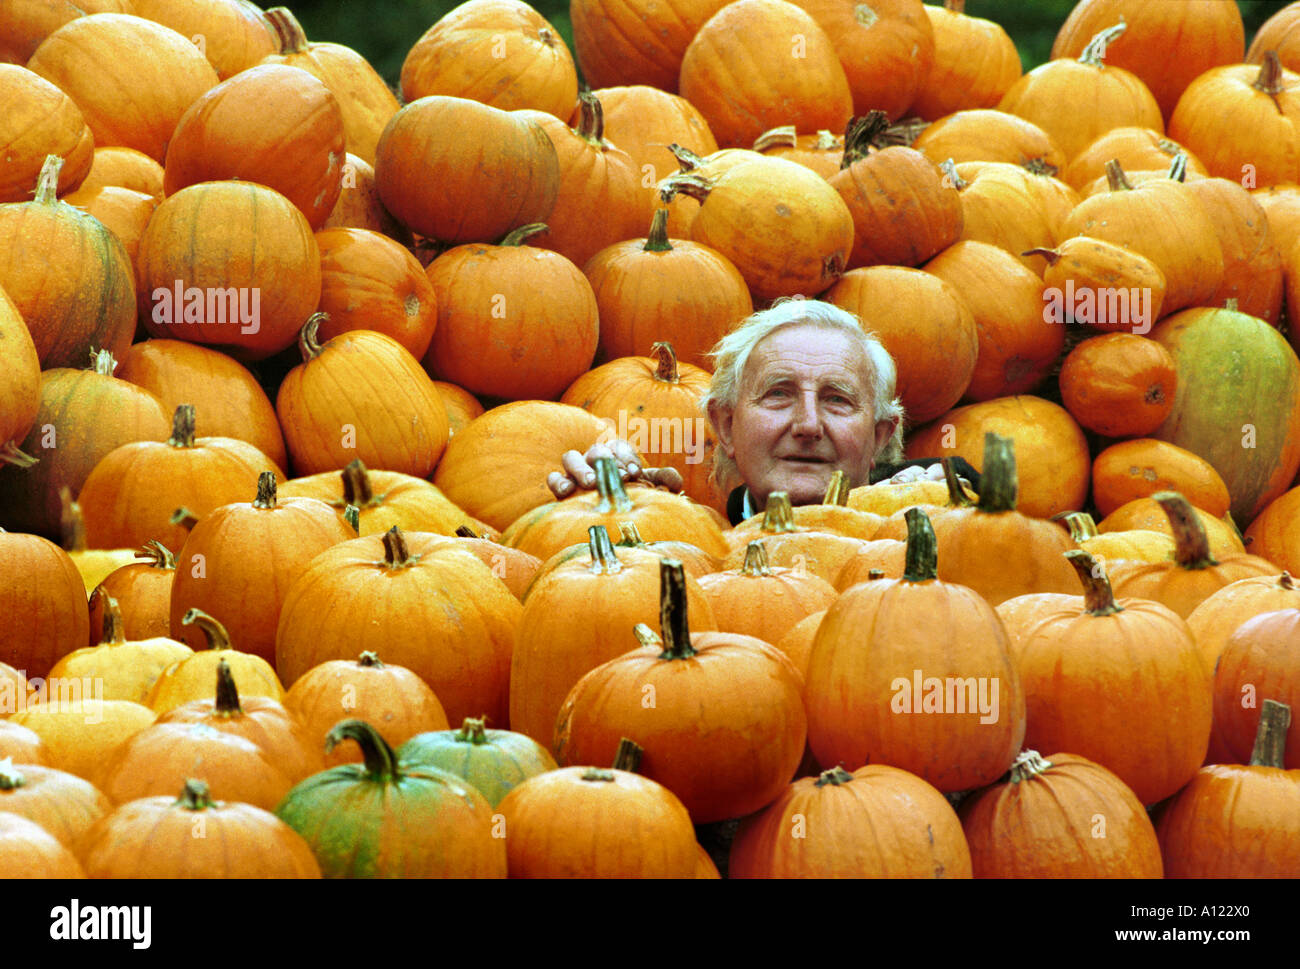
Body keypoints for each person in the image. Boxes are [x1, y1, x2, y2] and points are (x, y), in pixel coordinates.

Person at [548, 299, 979, 525]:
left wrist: (966, 513)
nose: (808, 425)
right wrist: (613, 503)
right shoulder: (709, 543)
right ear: (726, 426)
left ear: (880, 436)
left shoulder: (941, 501)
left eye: (837, 399)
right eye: (778, 394)